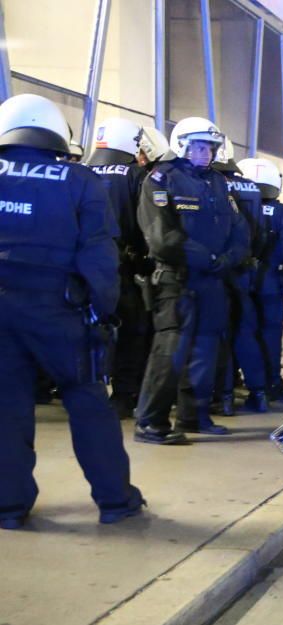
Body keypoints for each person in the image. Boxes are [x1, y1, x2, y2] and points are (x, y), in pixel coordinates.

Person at [0, 94, 145, 529]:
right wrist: (104, 312)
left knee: (6, 409)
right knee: (87, 402)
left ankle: (8, 507)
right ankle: (115, 500)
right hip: (60, 310)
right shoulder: (78, 179)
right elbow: (99, 255)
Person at [133, 117, 249, 443]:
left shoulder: (218, 183)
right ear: (182, 144)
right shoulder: (160, 179)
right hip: (177, 282)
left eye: (210, 147)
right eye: (200, 146)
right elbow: (161, 237)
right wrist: (208, 259)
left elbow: (239, 230)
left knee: (205, 352)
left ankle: (193, 416)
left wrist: (228, 259)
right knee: (169, 353)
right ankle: (151, 422)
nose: (206, 153)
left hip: (212, 282)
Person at [85, 117, 150, 420]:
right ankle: (124, 395)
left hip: (83, 269)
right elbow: (145, 225)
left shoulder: (80, 173)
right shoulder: (136, 176)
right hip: (124, 268)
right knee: (131, 330)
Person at [237, 158, 283, 401]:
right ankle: (273, 382)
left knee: (245, 334)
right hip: (272, 284)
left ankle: (252, 385)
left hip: (243, 283)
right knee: (271, 336)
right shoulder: (282, 212)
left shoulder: (238, 208)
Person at [214, 143, 270, 413]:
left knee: (223, 335)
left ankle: (224, 397)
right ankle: (259, 392)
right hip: (245, 270)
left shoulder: (211, 185)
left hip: (219, 271)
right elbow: (260, 232)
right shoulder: (252, 188)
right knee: (246, 333)